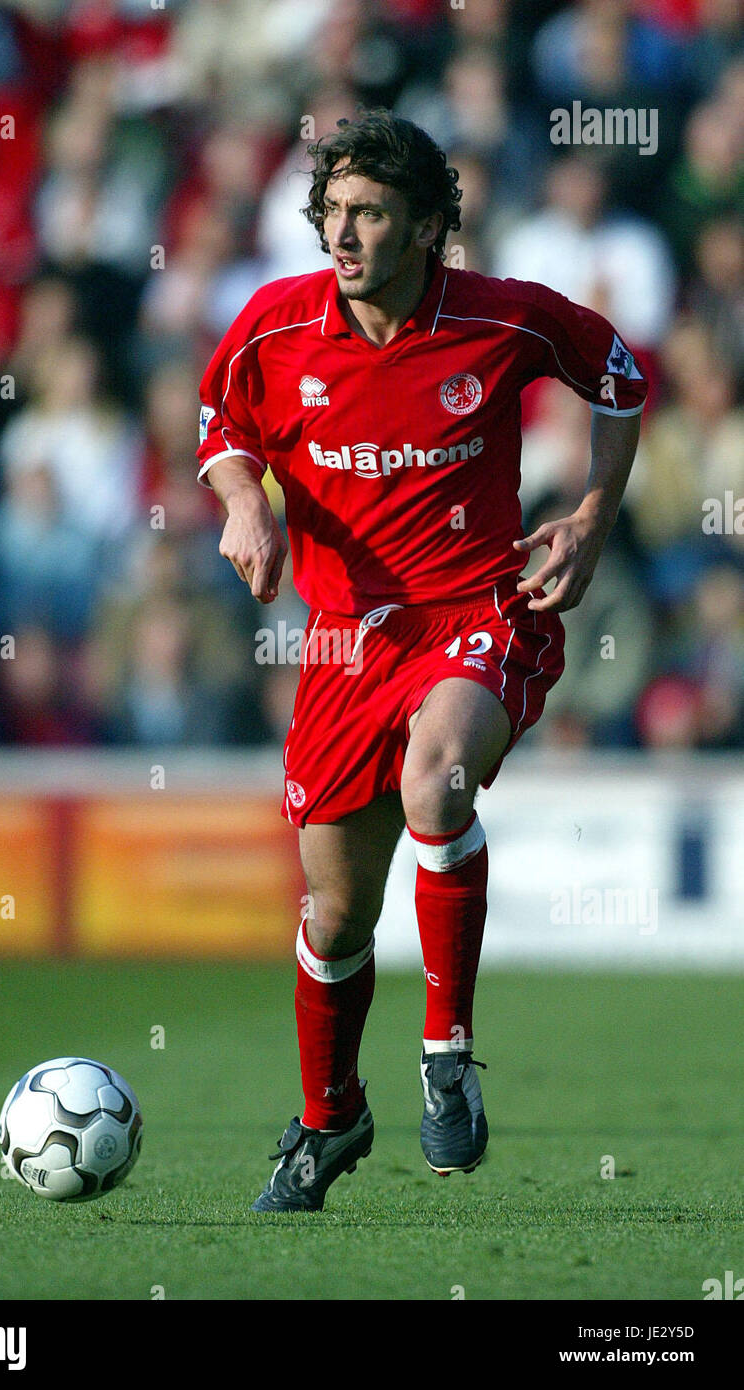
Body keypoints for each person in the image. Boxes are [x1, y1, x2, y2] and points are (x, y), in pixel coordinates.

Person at [196, 110, 647, 1212]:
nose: (341, 234)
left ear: (427, 226)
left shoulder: (501, 317)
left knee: (437, 771)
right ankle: (328, 1116)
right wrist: (244, 506)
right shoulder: (271, 326)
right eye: (331, 212)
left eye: (368, 214)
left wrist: (589, 515)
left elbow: (622, 379)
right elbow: (220, 427)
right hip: (345, 641)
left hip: (474, 609)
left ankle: (447, 1051)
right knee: (335, 918)